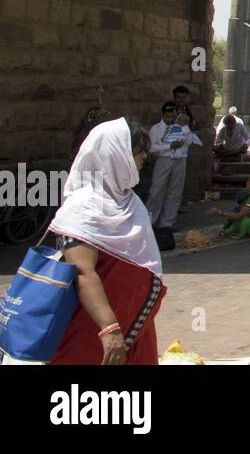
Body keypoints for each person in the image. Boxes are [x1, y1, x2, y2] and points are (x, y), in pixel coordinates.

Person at [47, 119, 166, 366]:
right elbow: (83, 272)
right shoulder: (84, 206)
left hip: (134, 326)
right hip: (94, 331)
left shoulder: (129, 202)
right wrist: (109, 329)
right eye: (137, 151)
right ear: (114, 154)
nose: (144, 157)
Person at [146, 101, 202, 230]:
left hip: (180, 159)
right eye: (168, 116)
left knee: (175, 192)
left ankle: (167, 223)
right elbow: (151, 148)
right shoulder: (156, 129)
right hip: (164, 159)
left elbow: (189, 141)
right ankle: (150, 222)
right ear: (163, 115)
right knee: (156, 191)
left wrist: (185, 127)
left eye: (172, 116)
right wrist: (169, 146)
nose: (170, 119)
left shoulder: (182, 127)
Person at [212, 107, 250, 174]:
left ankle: (229, 155)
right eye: (227, 125)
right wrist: (221, 144)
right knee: (214, 148)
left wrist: (246, 144)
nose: (229, 127)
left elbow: (249, 138)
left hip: (238, 148)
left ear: (234, 122)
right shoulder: (224, 129)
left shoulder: (240, 126)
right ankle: (229, 155)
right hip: (227, 149)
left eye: (231, 125)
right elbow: (218, 140)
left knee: (241, 151)